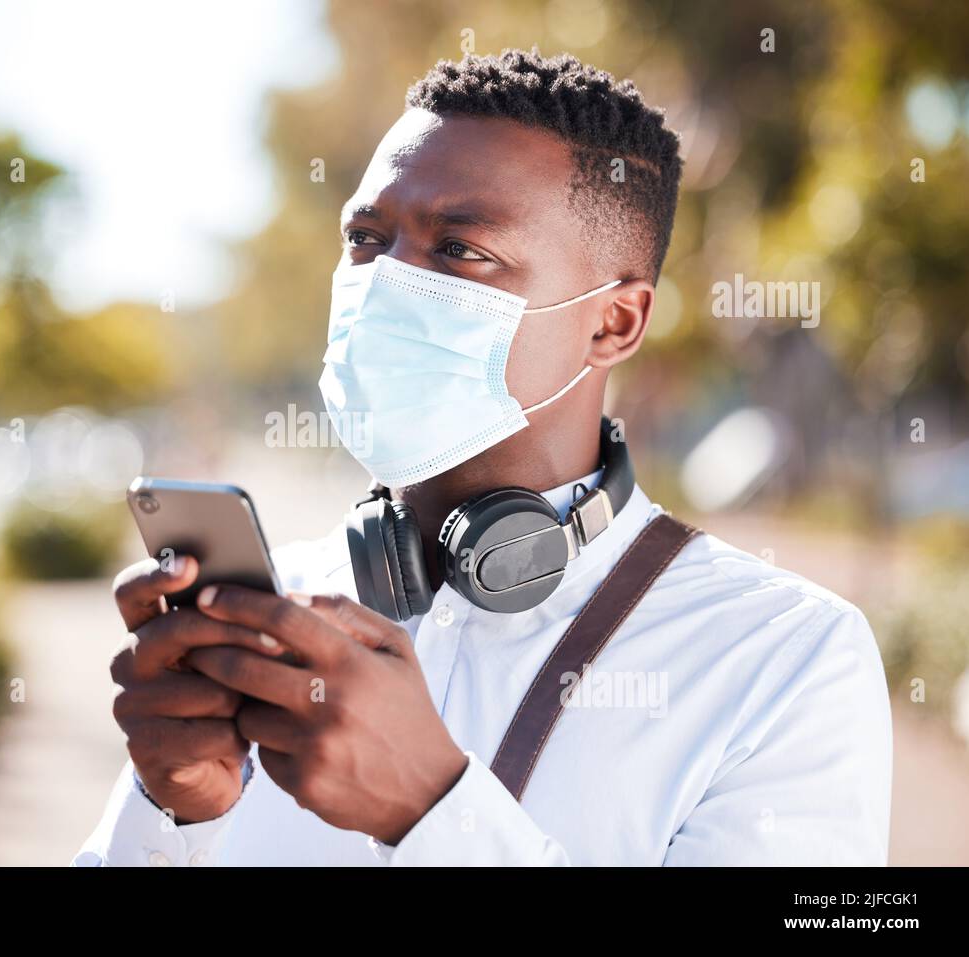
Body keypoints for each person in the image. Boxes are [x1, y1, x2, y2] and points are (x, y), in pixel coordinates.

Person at [74, 48, 891, 866]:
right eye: (366, 238)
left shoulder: (787, 658)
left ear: (614, 322)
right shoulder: (276, 609)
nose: (384, 282)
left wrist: (432, 812)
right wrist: (172, 815)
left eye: (459, 250)